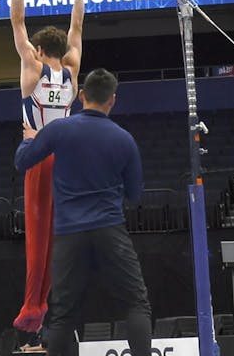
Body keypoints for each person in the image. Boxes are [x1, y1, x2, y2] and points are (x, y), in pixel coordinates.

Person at [14, 68, 151, 356]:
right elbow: (135, 193)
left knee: (63, 314)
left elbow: (23, 161)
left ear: (81, 96)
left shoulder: (60, 129)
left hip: (69, 233)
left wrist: (29, 138)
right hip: (109, 228)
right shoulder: (124, 139)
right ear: (112, 100)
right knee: (136, 303)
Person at [9, 0, 86, 336]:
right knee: (56, 234)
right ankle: (43, 302)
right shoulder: (72, 70)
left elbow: (18, 22)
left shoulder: (31, 68)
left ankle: (32, 306)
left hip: (39, 155)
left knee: (37, 234)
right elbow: (78, 30)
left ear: (39, 50)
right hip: (67, 159)